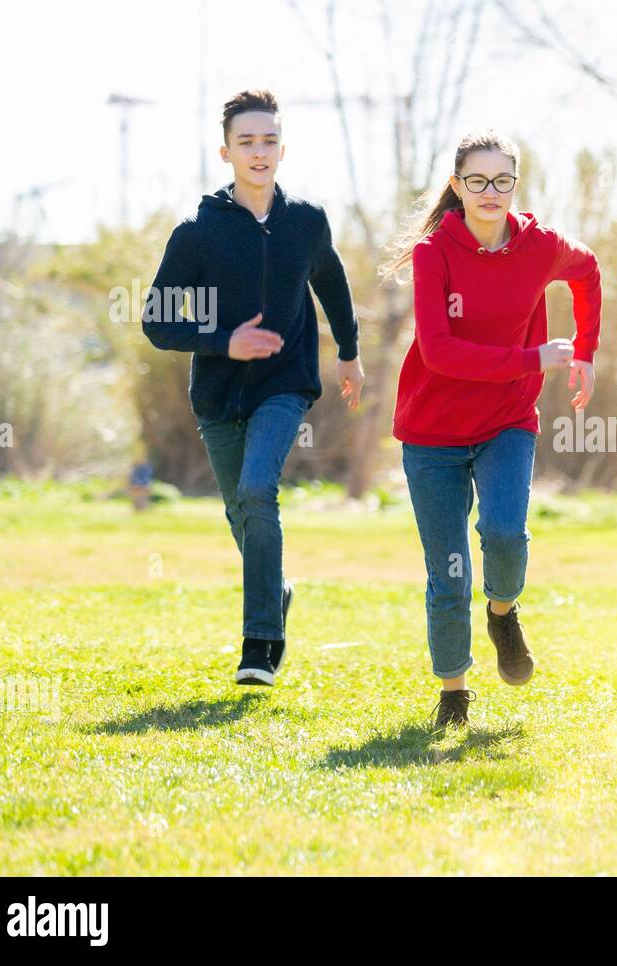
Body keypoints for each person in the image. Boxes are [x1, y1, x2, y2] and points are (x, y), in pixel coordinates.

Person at [142, 89, 364, 686]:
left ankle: (259, 643)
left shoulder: (306, 222)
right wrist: (222, 341)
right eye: (247, 142)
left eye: (268, 140)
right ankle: (277, 588)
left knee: (258, 488)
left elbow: (332, 284)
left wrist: (349, 353)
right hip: (217, 395)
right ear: (226, 152)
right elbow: (157, 322)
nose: (259, 152)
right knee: (240, 509)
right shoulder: (198, 233)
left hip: (285, 385)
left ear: (282, 149)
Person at [381, 130, 602, 729]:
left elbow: (588, 271)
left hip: (507, 420)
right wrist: (535, 359)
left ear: (515, 184)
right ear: (456, 186)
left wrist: (584, 350)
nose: (489, 192)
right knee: (448, 568)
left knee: (505, 533)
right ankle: (454, 694)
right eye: (476, 181)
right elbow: (441, 351)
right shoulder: (435, 253)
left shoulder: (540, 246)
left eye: (502, 180)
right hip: (431, 434)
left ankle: (503, 612)